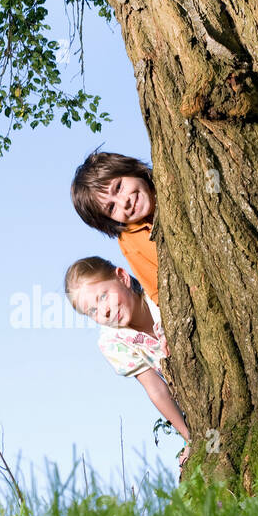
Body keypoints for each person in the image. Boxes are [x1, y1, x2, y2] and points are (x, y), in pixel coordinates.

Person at [64, 256, 190, 465]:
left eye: (103, 296)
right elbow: (155, 388)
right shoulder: (113, 341)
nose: (103, 311)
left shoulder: (158, 290)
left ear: (122, 278)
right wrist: (188, 436)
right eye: (92, 311)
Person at [70, 150, 160, 305]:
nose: (123, 202)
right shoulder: (129, 241)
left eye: (118, 187)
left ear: (130, 170)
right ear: (109, 220)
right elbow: (160, 293)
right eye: (111, 208)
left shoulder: (170, 174)